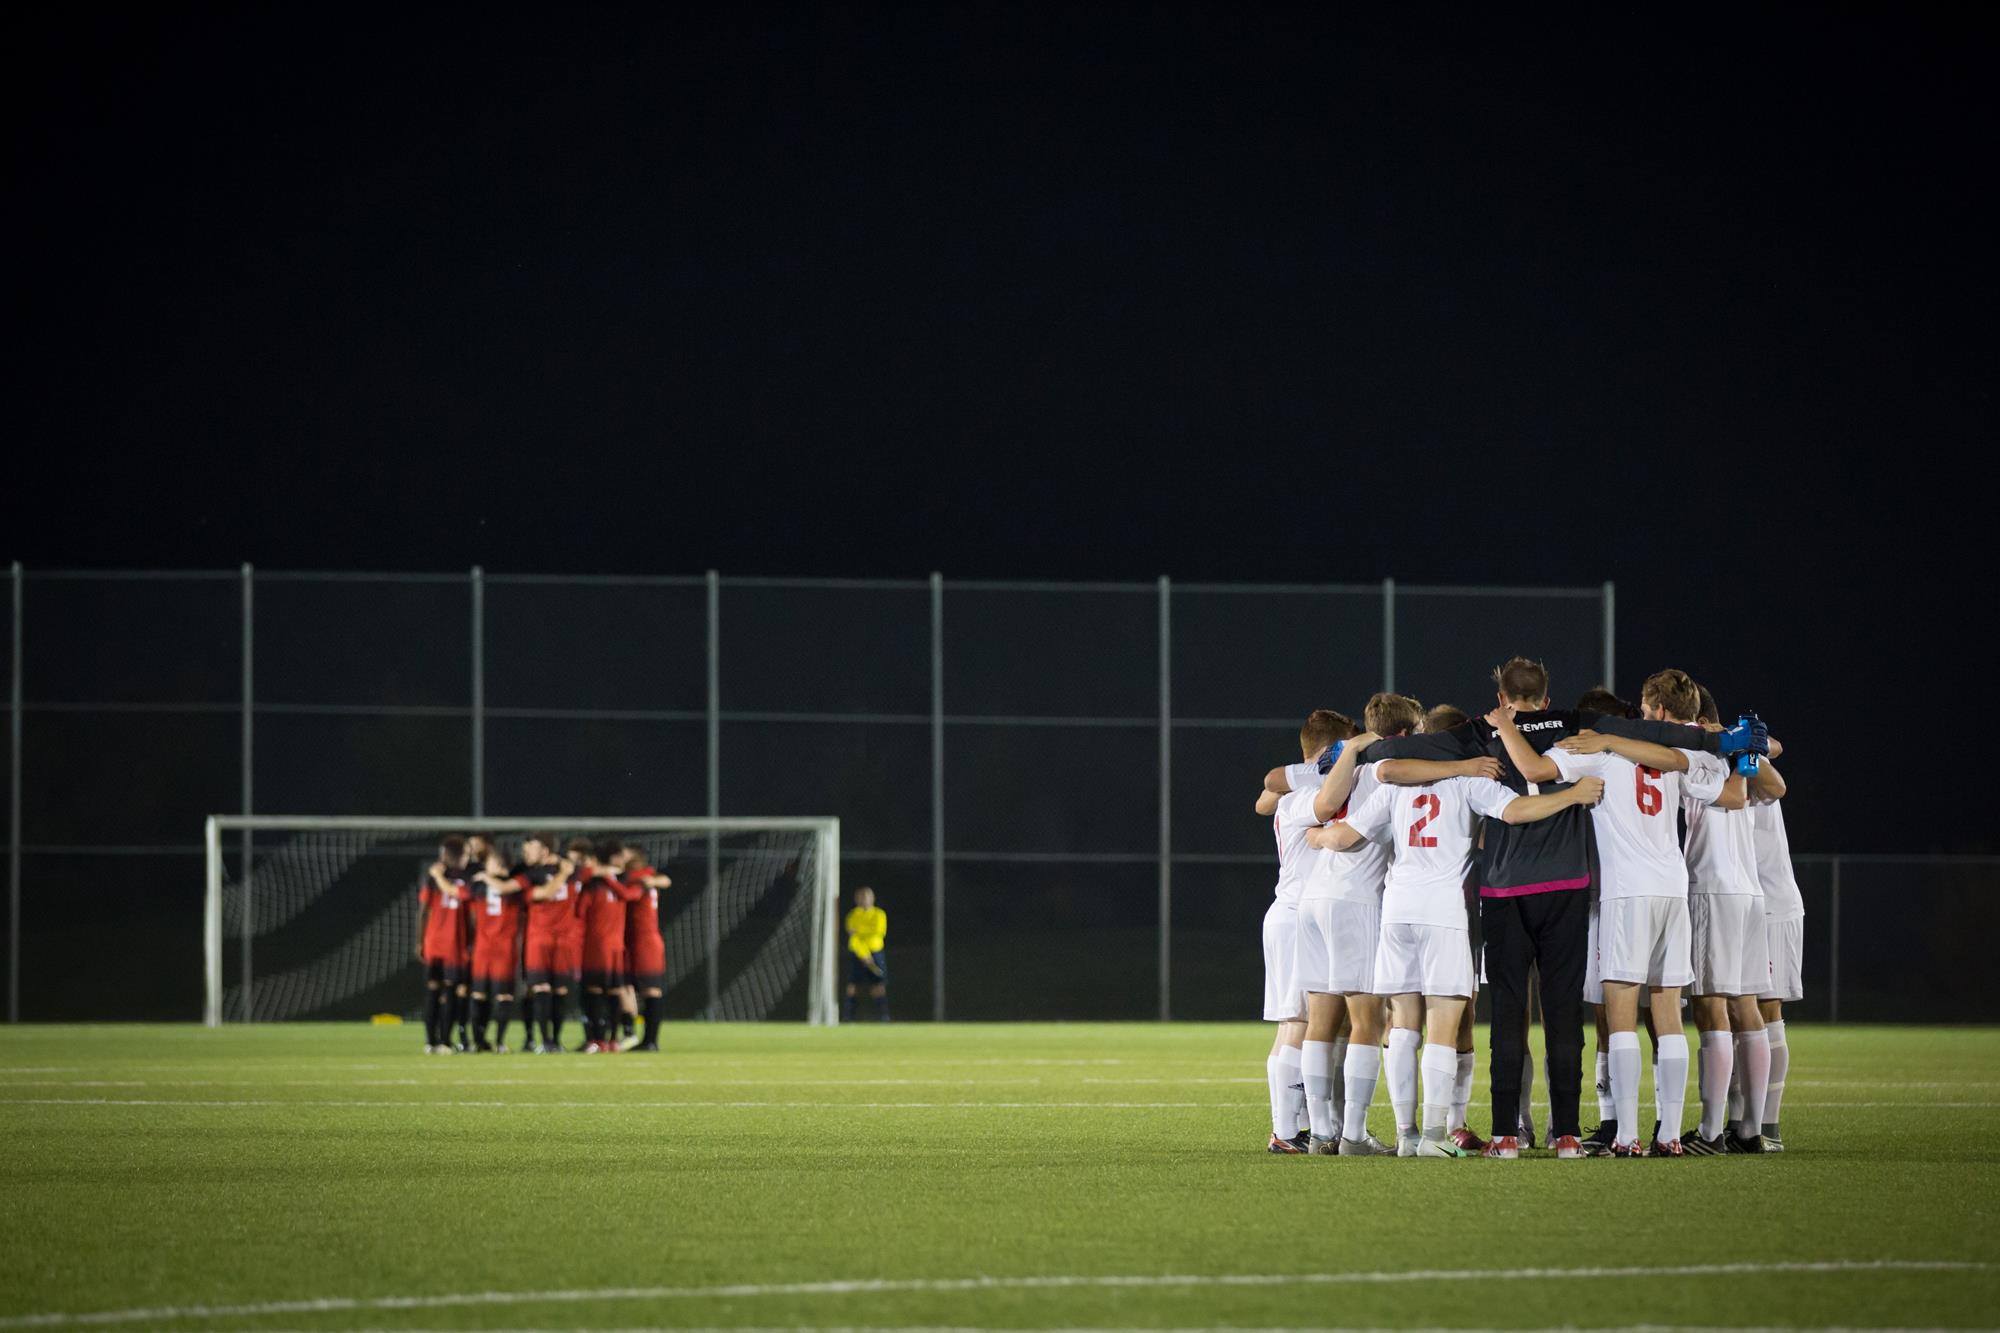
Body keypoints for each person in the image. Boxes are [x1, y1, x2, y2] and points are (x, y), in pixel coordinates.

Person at [1356, 659, 1746, 1158]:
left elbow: (1395, 760)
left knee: (1508, 1018)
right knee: (1565, 1016)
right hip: (1571, 886)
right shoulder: (1576, 726)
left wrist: (1368, 749)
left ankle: (1505, 1133)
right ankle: (1568, 1133)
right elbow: (1653, 733)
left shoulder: (1478, 732)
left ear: (1501, 698)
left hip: (1503, 890)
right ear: (1546, 698)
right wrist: (1719, 741)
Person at [1318, 740, 1605, 1157]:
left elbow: (1344, 836)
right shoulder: (1467, 781)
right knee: (1442, 1023)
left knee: (1402, 1025)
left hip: (1397, 911)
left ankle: (1406, 1135)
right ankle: (1435, 1136)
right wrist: (1573, 796)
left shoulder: (1394, 786)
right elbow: (1517, 811)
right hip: (1442, 912)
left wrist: (1313, 835)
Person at [1499, 668, 1738, 1156]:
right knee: (1668, 1012)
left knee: (1622, 1013)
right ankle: (1669, 1134)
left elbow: (1533, 771)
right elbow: (1731, 791)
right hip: (1673, 889)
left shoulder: (1598, 751)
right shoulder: (1680, 754)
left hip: (1627, 892)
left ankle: (1627, 1135)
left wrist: (1504, 728)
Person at [1682, 685, 1783, 1154]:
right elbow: (1776, 787)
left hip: (1713, 886)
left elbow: (1738, 798)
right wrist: (1750, 746)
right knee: (1746, 1005)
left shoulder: (1696, 752)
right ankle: (1750, 1129)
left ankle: (1708, 1132)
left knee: (1709, 1005)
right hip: (1748, 891)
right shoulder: (1740, 751)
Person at [1253, 709, 1355, 1151]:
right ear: (1332, 748)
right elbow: (1324, 802)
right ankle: (1286, 1131)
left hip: (1295, 913)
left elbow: (1264, 797)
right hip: (1297, 917)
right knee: (1298, 1022)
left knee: (1309, 1023)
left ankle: (1309, 1125)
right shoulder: (1312, 787)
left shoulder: (1295, 787)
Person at [1748, 741, 1802, 1151]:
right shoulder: (1695, 753)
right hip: (1734, 899)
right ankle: (1740, 1123)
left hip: (1770, 903)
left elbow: (1777, 784)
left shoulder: (1741, 751)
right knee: (1733, 1012)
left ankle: (1769, 1125)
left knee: (1768, 1010)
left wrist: (1748, 746)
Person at [576, 840, 640, 1052]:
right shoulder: (622, 881)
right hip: (615, 947)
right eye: (620, 856)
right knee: (613, 991)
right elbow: (630, 894)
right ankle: (612, 1039)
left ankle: (598, 1040)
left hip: (596, 946)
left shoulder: (594, 885)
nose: (623, 861)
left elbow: (579, 912)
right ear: (611, 858)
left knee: (596, 991)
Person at [513, 833, 573, 1054]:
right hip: (539, 939)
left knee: (559, 990)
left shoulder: (569, 870)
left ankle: (555, 1041)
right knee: (540, 988)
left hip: (562, 940)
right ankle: (544, 1040)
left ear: (545, 851)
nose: (525, 853)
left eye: (530, 849)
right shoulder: (531, 875)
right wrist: (564, 873)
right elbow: (546, 892)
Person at [416, 837, 472, 1054]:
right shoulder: (466, 878)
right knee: (448, 992)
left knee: (433, 991)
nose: (468, 858)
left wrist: (420, 941)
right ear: (456, 856)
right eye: (465, 854)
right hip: (452, 946)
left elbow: (422, 912)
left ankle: (430, 1042)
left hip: (433, 943)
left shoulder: (432, 877)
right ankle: (444, 1042)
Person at [620, 844, 672, 1051]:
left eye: (624, 853)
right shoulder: (645, 876)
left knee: (651, 990)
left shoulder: (637, 876)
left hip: (645, 941)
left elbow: (663, 880)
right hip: (635, 941)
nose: (620, 857)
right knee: (630, 987)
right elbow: (664, 879)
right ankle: (635, 1036)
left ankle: (650, 1040)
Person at [843, 887, 889, 1022]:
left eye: (867, 897)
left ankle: (884, 1017)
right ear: (856, 899)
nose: (864, 900)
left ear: (872, 898)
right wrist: (863, 955)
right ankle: (848, 1017)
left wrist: (869, 954)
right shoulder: (852, 915)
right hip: (858, 954)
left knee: (878, 985)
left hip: (875, 953)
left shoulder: (879, 914)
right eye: (861, 897)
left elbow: (878, 932)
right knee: (853, 985)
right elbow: (853, 937)